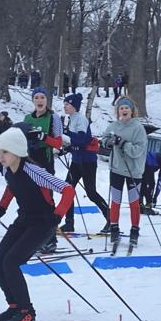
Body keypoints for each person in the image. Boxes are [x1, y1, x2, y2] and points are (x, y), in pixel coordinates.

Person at [0, 126, 75, 321]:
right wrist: (0, 209)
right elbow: (11, 187)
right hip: (24, 219)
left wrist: (58, 216)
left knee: (11, 262)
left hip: (43, 223)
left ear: (17, 151)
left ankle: (27, 312)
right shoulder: (8, 169)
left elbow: (68, 190)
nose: (1, 156)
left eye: (4, 152)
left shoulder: (34, 171)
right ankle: (14, 307)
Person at [101, 96, 148, 251]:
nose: (124, 110)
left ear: (132, 110)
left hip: (134, 170)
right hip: (116, 169)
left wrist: (124, 144)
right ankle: (114, 228)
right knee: (116, 200)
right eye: (121, 108)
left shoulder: (138, 128)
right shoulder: (114, 125)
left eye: (127, 108)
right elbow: (104, 140)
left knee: (134, 202)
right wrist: (108, 142)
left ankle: (134, 230)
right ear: (118, 111)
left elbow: (138, 151)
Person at [59, 92, 110, 233]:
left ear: (74, 106)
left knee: (91, 193)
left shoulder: (80, 119)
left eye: (67, 105)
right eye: (64, 105)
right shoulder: (72, 119)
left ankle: (111, 219)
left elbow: (82, 139)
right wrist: (66, 148)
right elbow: (75, 142)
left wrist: (66, 133)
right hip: (76, 160)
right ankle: (69, 223)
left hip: (87, 161)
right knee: (67, 190)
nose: (65, 107)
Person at [24, 86, 63, 173]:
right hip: (29, 160)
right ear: (33, 100)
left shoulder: (54, 118)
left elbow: (58, 144)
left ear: (46, 100)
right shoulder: (27, 118)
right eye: (36, 98)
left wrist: (43, 137)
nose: (39, 100)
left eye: (42, 97)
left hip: (45, 162)